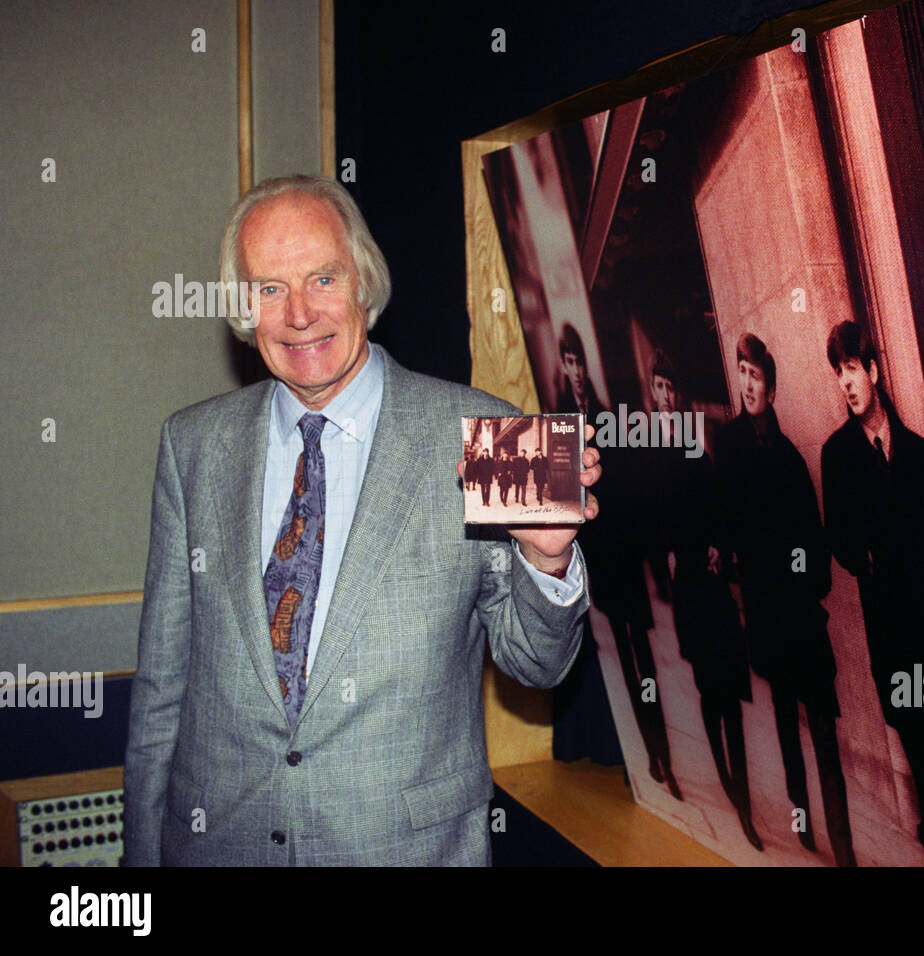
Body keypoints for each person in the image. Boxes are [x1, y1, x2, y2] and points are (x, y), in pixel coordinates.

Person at [123, 174, 601, 866]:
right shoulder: (192, 446)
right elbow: (162, 688)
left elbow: (538, 665)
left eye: (322, 278)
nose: (298, 314)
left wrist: (547, 563)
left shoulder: (489, 432)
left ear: (364, 284)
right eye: (268, 289)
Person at [819, 320, 924, 867]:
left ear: (874, 371)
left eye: (853, 369)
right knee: (923, 752)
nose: (846, 383)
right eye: (838, 373)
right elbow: (838, 538)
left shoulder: (919, 453)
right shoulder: (837, 457)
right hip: (892, 632)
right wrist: (868, 557)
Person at [715, 332, 857, 867]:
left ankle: (844, 853)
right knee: (782, 720)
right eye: (742, 374)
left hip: (800, 616)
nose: (748, 385)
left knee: (822, 729)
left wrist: (805, 581)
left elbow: (816, 546)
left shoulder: (794, 460)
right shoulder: (727, 448)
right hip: (767, 615)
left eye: (757, 377)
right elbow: (724, 521)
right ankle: (801, 822)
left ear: (771, 391)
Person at [553, 324, 678, 797]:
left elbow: (631, 495)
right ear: (564, 367)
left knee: (641, 653)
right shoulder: (560, 424)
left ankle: (659, 749)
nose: (576, 371)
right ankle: (643, 750)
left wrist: (649, 561)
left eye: (580, 361)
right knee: (623, 658)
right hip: (595, 561)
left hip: (624, 557)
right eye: (569, 363)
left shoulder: (607, 419)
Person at [646, 350, 761, 850]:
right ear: (652, 394)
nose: (667, 397)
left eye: (672, 388)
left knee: (730, 686)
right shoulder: (652, 452)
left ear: (680, 393)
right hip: (687, 584)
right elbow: (654, 520)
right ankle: (729, 783)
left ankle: (745, 803)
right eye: (659, 388)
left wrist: (720, 544)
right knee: (708, 692)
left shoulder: (696, 445)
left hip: (710, 580)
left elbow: (717, 503)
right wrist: (666, 557)